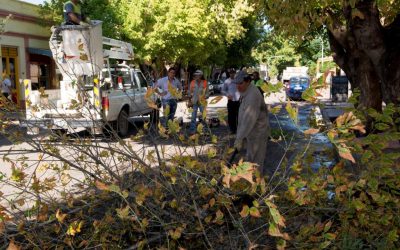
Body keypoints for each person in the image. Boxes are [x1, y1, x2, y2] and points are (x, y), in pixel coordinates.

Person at [233, 71, 270, 175]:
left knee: (256, 162)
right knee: (250, 159)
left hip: (257, 133)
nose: (238, 87)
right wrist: (240, 136)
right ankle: (251, 183)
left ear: (248, 81)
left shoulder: (252, 96)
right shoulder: (246, 92)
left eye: (240, 83)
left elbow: (248, 119)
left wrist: (239, 137)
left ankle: (256, 187)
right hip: (251, 133)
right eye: (236, 84)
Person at [188, 70, 208, 134]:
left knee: (204, 116)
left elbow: (207, 93)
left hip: (202, 102)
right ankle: (192, 131)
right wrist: (189, 101)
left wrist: (205, 96)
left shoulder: (205, 82)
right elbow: (189, 93)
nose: (196, 76)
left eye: (198, 75)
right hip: (194, 102)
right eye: (196, 75)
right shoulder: (192, 82)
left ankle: (205, 130)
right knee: (193, 116)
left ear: (201, 75)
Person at [222, 69, 240, 134]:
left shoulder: (238, 80)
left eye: (233, 73)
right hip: (231, 100)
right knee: (231, 116)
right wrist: (227, 95)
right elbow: (223, 90)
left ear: (235, 73)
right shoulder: (227, 81)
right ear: (229, 74)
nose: (232, 74)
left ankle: (239, 129)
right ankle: (232, 129)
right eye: (231, 73)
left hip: (238, 100)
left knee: (239, 115)